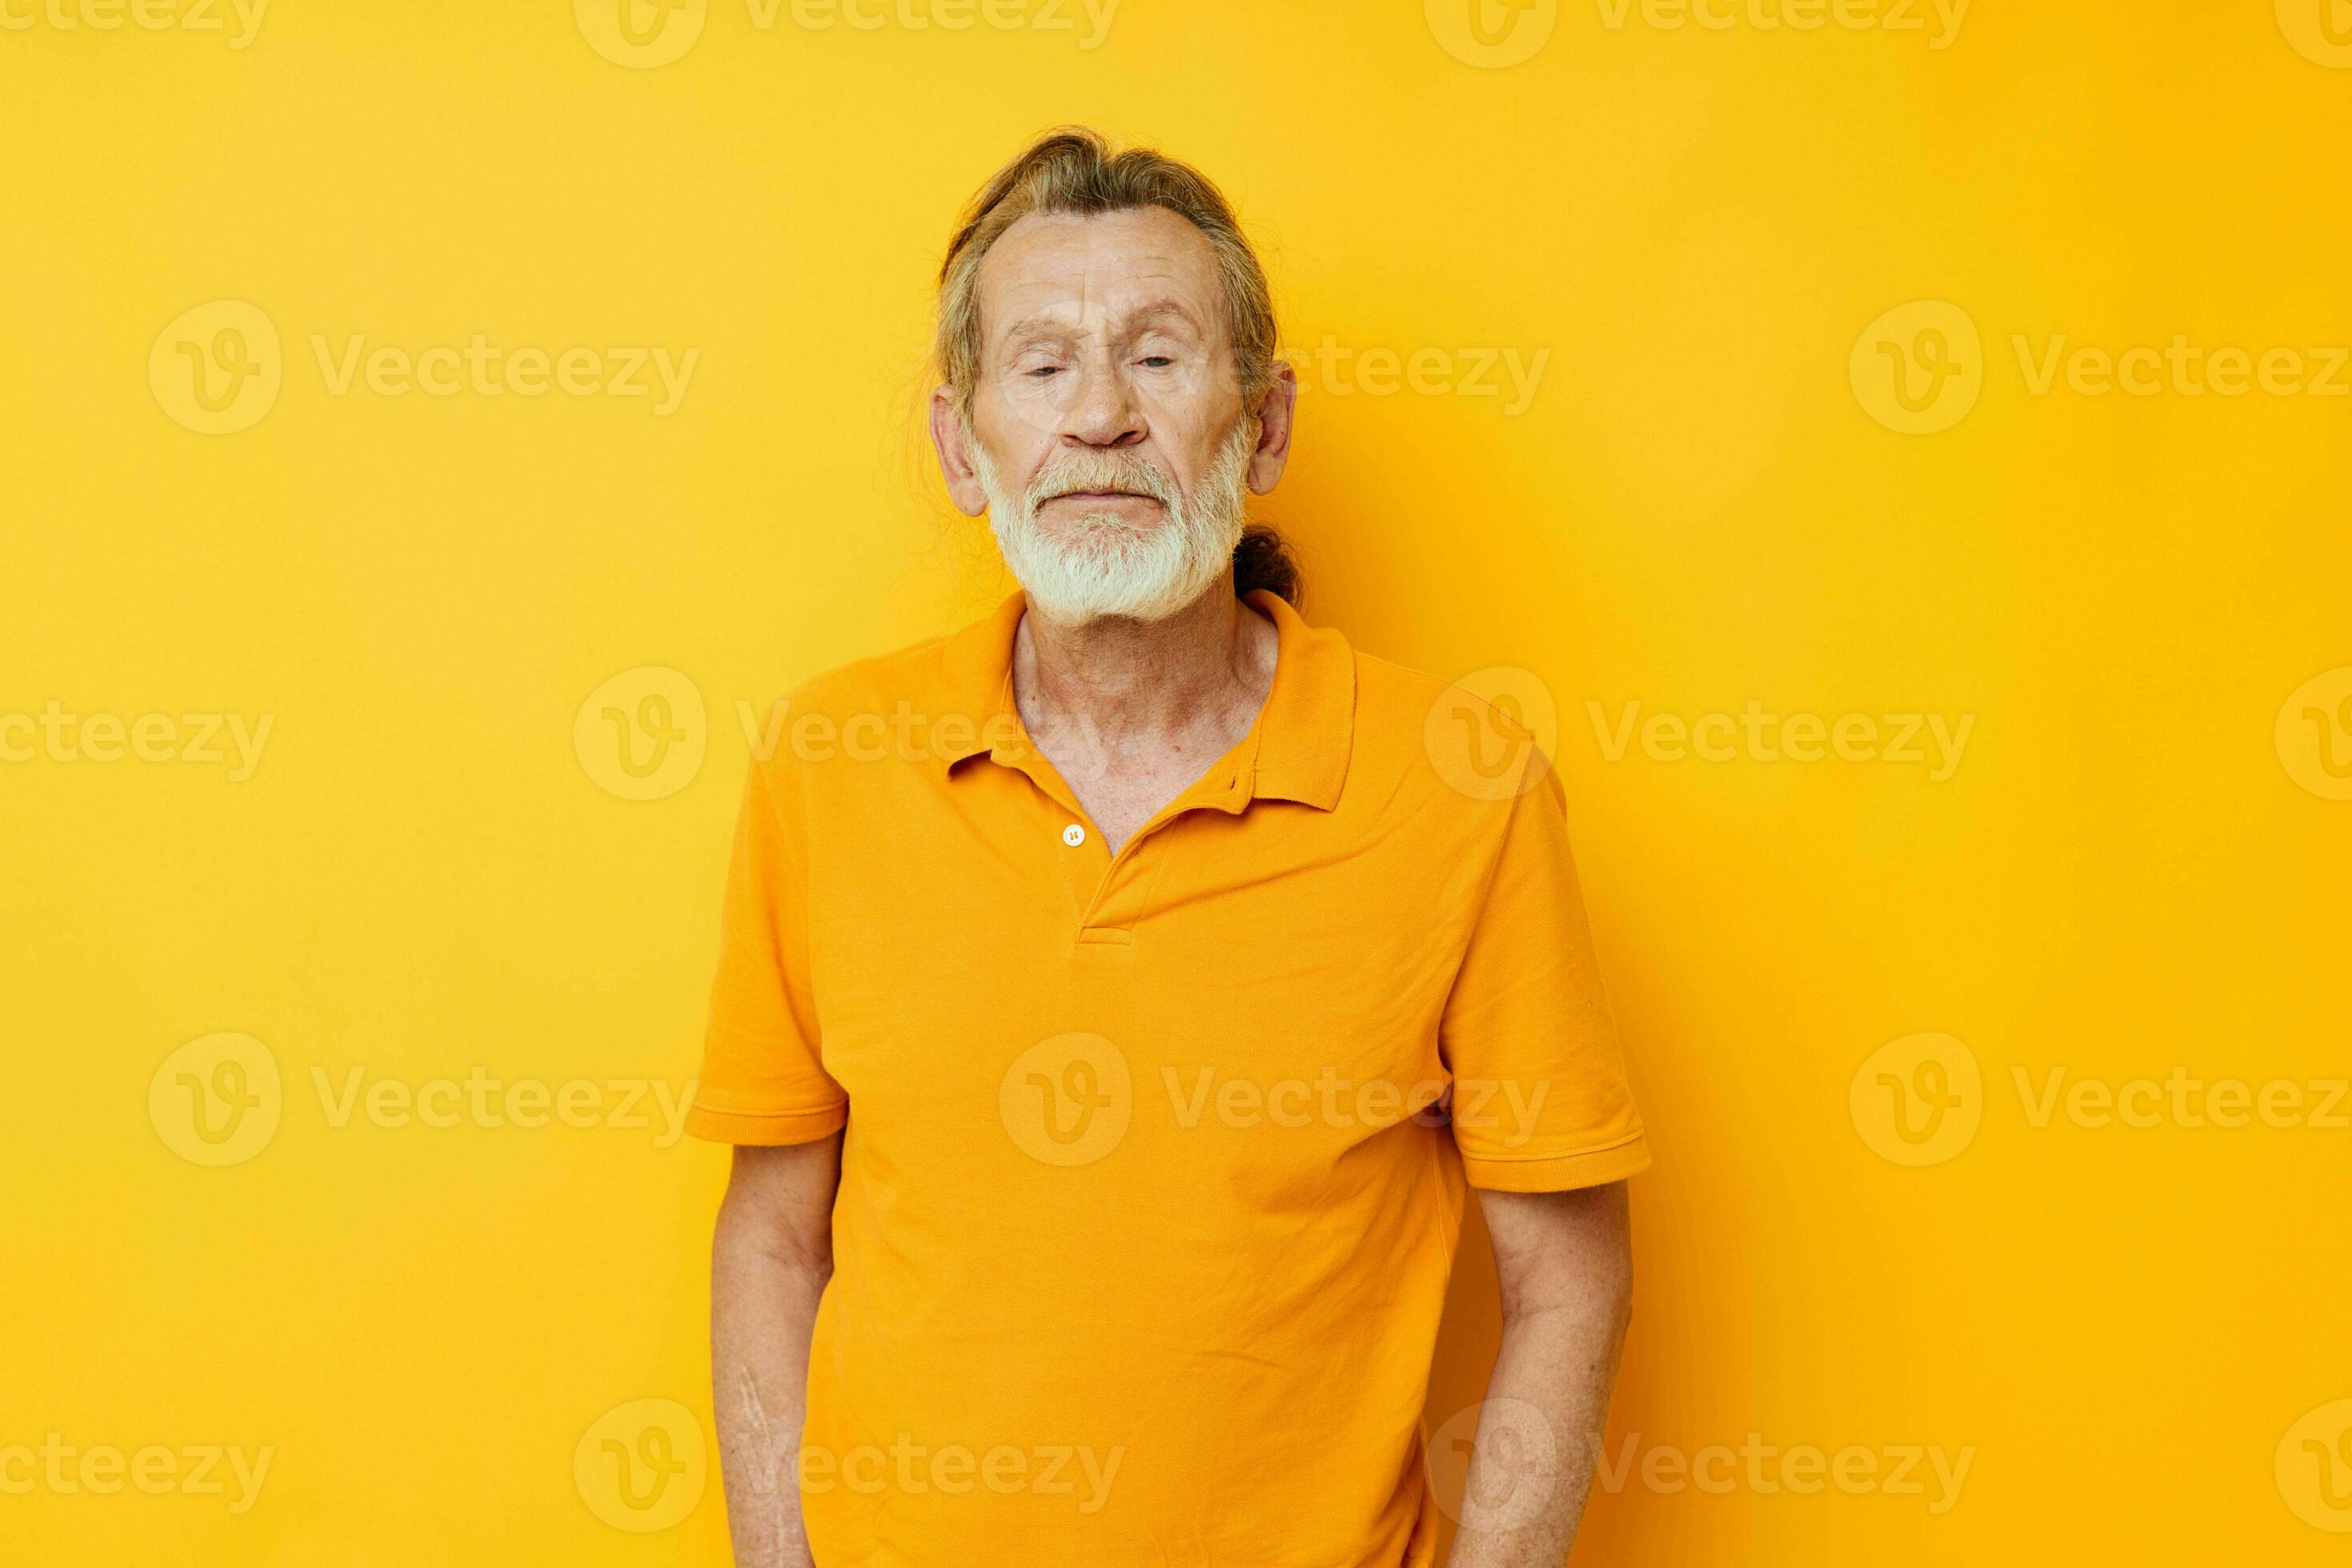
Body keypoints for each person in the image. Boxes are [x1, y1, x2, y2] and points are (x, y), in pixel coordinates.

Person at [688, 126, 1650, 1567]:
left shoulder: (1461, 784)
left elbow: (1568, 1273)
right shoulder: (827, 764)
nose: (1100, 418)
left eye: (1156, 355)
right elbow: (772, 1236)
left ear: (1260, 428)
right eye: (1042, 364)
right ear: (963, 447)